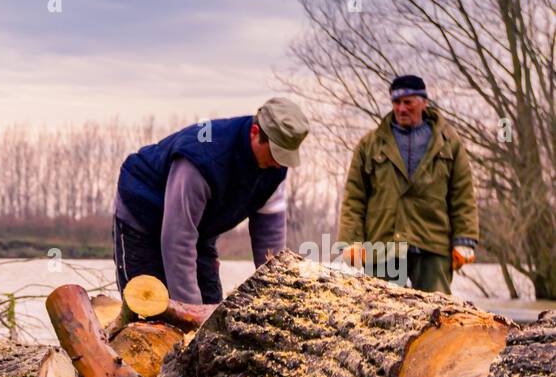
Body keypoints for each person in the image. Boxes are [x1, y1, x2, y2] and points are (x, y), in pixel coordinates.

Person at [111, 97, 310, 305]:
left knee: (212, 311)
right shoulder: (203, 160)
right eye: (275, 153)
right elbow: (178, 239)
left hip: (199, 231)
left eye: (285, 157)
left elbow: (270, 245)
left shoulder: (275, 170)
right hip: (144, 218)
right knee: (149, 311)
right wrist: (189, 313)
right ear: (254, 133)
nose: (279, 163)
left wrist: (277, 299)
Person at [338, 74, 479, 293]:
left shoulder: (450, 143)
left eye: (408, 102)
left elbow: (462, 195)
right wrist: (351, 241)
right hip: (382, 245)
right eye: (396, 102)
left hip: (432, 243)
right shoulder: (370, 144)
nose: (401, 108)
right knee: (380, 316)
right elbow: (354, 198)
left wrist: (465, 240)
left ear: (423, 102)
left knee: (438, 315)